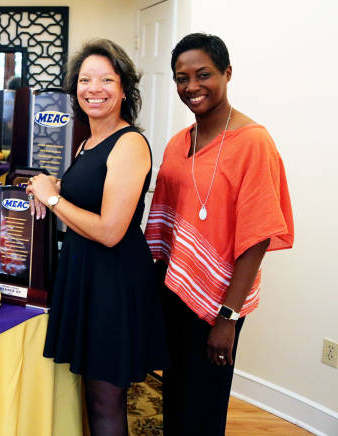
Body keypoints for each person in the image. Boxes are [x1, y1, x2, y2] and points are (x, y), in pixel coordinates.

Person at [145, 33, 294, 435]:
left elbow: (258, 236)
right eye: (181, 77)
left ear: (227, 74)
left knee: (204, 406)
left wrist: (226, 318)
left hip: (219, 302)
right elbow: (166, 225)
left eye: (203, 74)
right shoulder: (180, 142)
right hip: (174, 290)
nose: (191, 86)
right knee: (174, 394)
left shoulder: (253, 143)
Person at [27, 39, 166, 435]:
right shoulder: (88, 141)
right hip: (86, 276)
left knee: (106, 402)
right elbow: (89, 195)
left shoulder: (130, 143)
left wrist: (52, 197)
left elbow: (109, 230)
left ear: (125, 89)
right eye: (85, 80)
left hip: (113, 282)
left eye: (107, 79)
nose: (94, 88)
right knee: (90, 395)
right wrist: (55, 186)